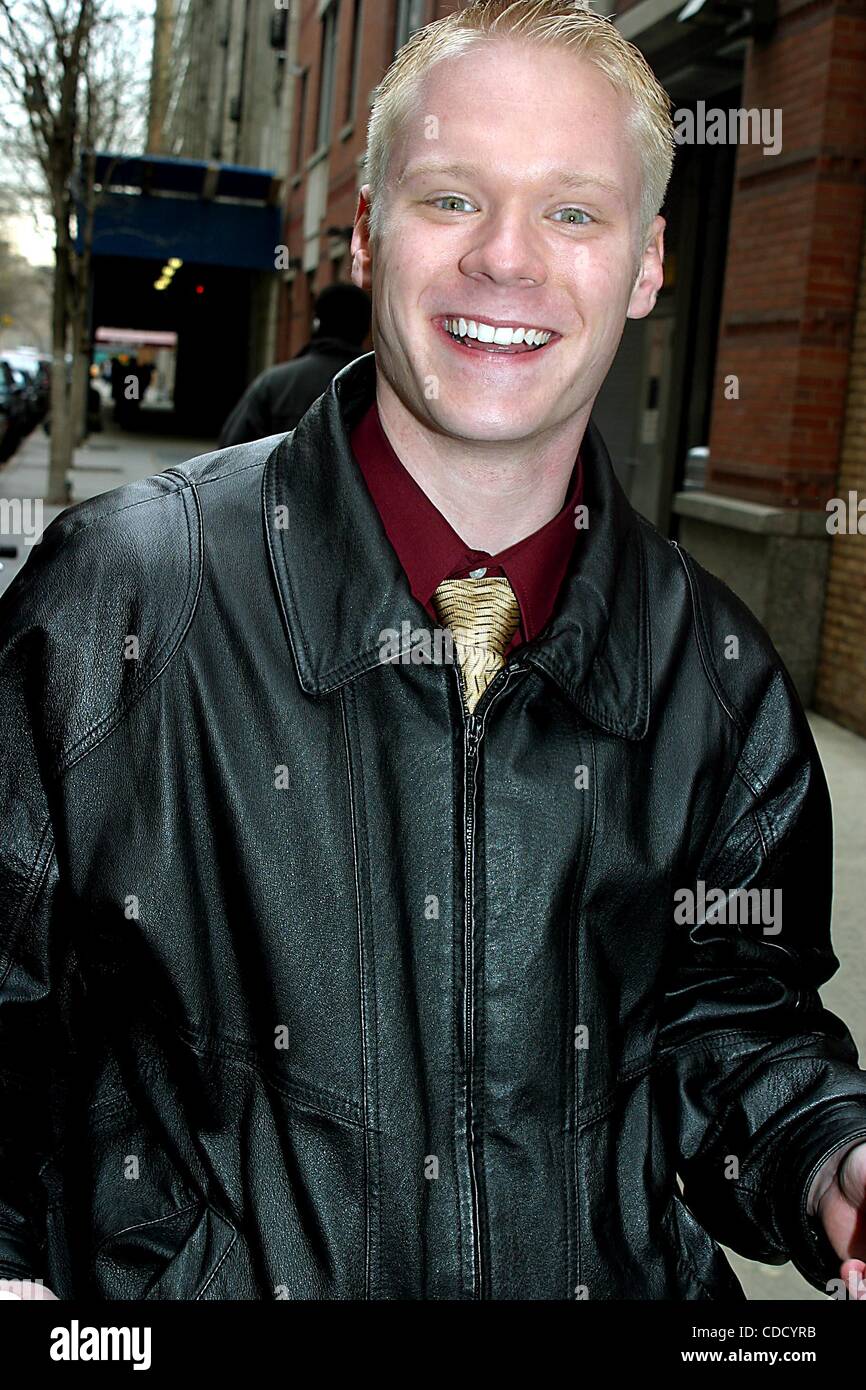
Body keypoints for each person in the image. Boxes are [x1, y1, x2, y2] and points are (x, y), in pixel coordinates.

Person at [1, 0, 865, 1303]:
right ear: (368, 233)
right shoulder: (120, 598)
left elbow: (726, 1017)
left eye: (573, 211)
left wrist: (824, 1154)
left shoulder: (718, 672)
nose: (506, 261)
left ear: (644, 263)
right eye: (453, 198)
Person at [217, 283, 372, 447]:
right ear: (366, 328)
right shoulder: (377, 386)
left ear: (317, 323)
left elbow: (229, 452)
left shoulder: (274, 384)